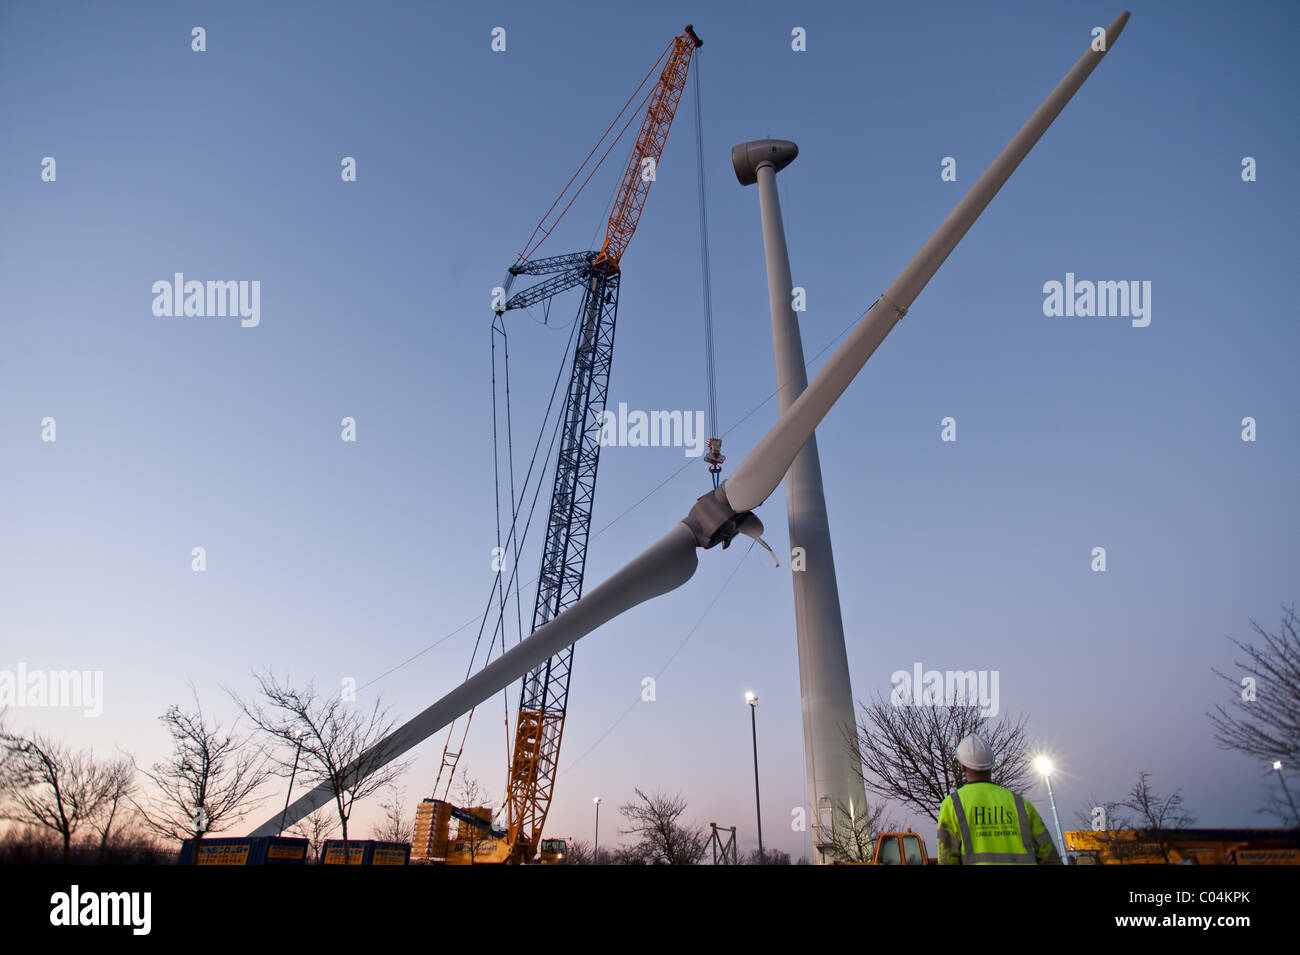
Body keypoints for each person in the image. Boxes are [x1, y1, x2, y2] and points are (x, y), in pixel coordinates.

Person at [936, 734, 1062, 865]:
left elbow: (947, 859)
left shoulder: (952, 804)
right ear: (991, 765)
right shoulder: (1020, 803)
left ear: (963, 767)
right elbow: (1049, 856)